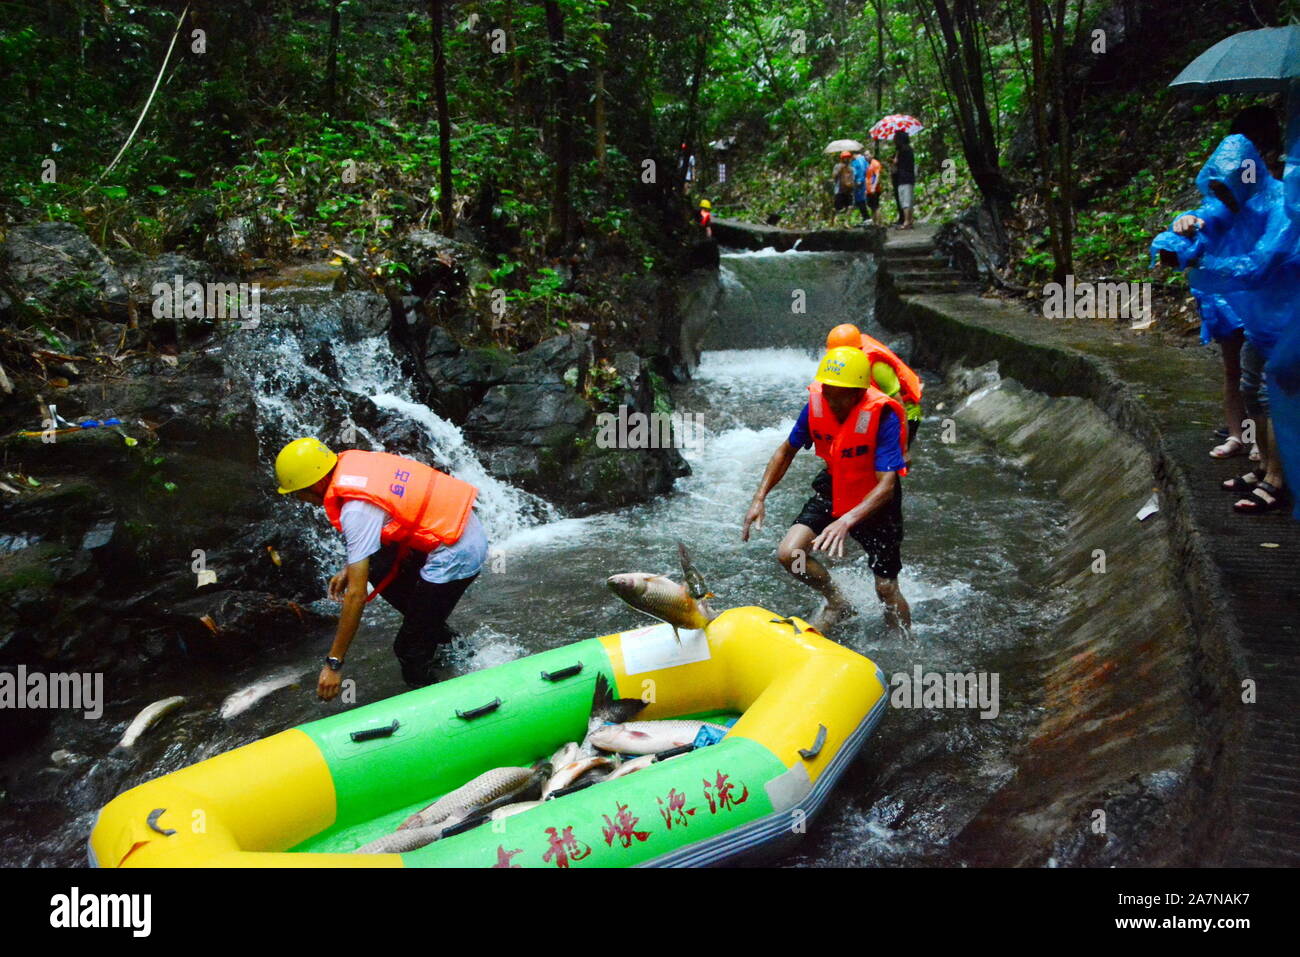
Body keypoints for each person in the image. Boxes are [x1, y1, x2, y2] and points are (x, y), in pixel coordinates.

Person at [1154, 116, 1296, 514]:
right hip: (1259, 320)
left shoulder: (1282, 205)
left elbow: (1258, 265)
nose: (1223, 195)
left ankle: (1278, 480)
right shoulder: (1234, 204)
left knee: (1276, 394)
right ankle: (1265, 465)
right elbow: (1199, 228)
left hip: (1288, 317)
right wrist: (1180, 234)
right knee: (1251, 387)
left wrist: (1203, 260)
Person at [274, 437, 488, 698]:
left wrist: (334, 662)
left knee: (407, 649)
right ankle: (452, 646)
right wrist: (348, 569)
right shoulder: (354, 463)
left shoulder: (355, 510)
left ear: (317, 483)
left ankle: (447, 704)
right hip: (454, 526)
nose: (301, 500)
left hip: (457, 551)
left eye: (299, 493)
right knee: (381, 572)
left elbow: (356, 595)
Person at [742, 346, 912, 640]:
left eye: (839, 392)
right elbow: (785, 451)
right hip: (834, 486)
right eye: (827, 389)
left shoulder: (882, 415)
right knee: (789, 553)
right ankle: (838, 602)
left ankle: (904, 644)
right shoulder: (816, 405)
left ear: (859, 391)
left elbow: (887, 486)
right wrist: (759, 498)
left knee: (885, 587)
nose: (830, 398)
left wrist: (846, 521)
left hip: (875, 500)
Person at [826, 323, 924, 456]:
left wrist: (903, 448)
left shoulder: (877, 367)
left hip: (906, 413)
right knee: (861, 456)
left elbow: (899, 405)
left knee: (885, 460)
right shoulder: (850, 363)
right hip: (876, 411)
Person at [891, 131, 916, 229]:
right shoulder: (907, 149)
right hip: (906, 177)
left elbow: (898, 163)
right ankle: (909, 220)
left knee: (905, 200)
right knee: (907, 199)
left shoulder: (904, 150)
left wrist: (895, 159)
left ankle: (906, 221)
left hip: (904, 177)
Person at [831, 150, 856, 224]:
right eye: (845, 158)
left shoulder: (851, 168)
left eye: (848, 157)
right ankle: (833, 220)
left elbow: (853, 178)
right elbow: (833, 176)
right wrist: (839, 170)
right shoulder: (837, 166)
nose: (847, 159)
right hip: (839, 190)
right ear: (842, 158)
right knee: (838, 208)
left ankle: (846, 222)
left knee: (850, 206)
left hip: (848, 190)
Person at [851, 150, 870, 225]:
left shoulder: (855, 162)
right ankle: (867, 218)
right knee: (865, 200)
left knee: (860, 201)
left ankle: (866, 218)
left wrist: (857, 181)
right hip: (866, 182)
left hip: (858, 184)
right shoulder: (865, 160)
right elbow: (867, 170)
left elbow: (854, 173)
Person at [865, 151, 885, 226]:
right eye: (865, 155)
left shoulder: (875, 163)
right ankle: (874, 222)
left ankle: (879, 223)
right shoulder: (867, 164)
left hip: (874, 189)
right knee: (872, 207)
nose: (866, 156)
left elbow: (877, 176)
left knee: (876, 207)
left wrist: (874, 186)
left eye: (867, 155)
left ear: (871, 155)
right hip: (869, 189)